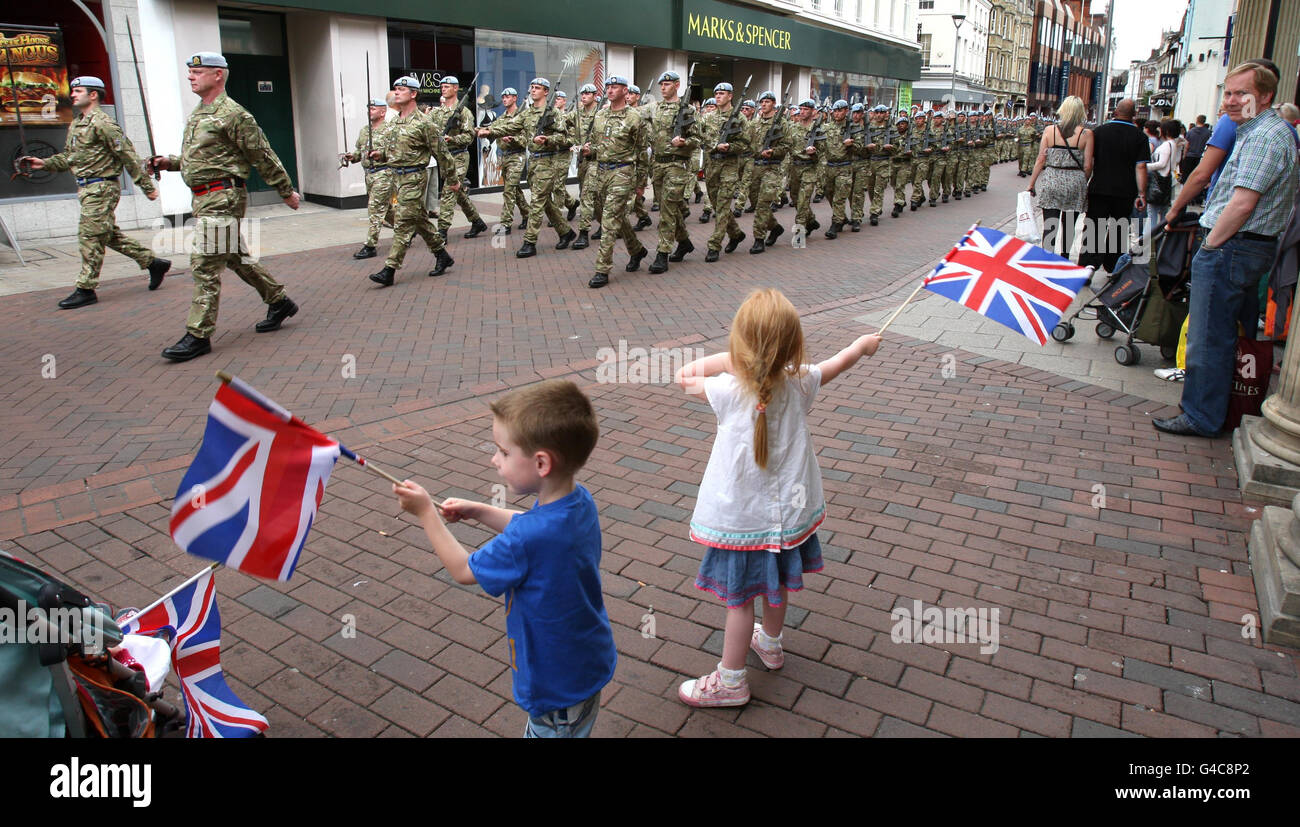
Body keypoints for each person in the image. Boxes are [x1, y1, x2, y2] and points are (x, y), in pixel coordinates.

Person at [673, 288, 882, 707]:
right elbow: (837, 363)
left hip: (742, 519)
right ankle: (770, 643)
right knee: (776, 584)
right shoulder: (801, 382)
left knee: (739, 601)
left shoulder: (727, 390)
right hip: (787, 518)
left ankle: (731, 681)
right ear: (792, 343)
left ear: (741, 343)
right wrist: (861, 346)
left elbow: (684, 375)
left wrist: (733, 359)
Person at [392, 379, 617, 737]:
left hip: (555, 684)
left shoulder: (528, 538)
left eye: (503, 452)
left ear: (541, 462)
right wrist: (480, 511)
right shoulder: (577, 500)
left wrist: (425, 514)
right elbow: (532, 526)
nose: (493, 459)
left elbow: (464, 570)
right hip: (585, 661)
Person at [1153, 63, 1300, 437]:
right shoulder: (1256, 132)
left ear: (1265, 96)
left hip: (1232, 247)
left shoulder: (1266, 137)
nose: (1231, 101)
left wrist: (1212, 244)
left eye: (1241, 93)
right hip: (1240, 247)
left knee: (1208, 335)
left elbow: (1242, 204)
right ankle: (1219, 407)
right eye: (1229, 92)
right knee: (1225, 330)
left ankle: (1201, 415)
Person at [145, 53, 299, 362]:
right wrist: (170, 162)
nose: (190, 77)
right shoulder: (199, 113)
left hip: (223, 197)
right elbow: (201, 159)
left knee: (204, 263)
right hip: (203, 197)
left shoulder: (234, 114)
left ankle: (198, 334)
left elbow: (262, 155)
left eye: (197, 72)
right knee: (235, 257)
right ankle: (279, 300)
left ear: (218, 75)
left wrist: (285, 191)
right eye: (189, 72)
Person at [25, 76, 170, 309]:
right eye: (73, 90)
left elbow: (128, 156)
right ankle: (153, 263)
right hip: (87, 188)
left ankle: (86, 288)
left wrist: (146, 187)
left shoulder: (104, 123)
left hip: (102, 187)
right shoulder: (77, 123)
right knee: (106, 234)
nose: (72, 94)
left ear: (93, 95)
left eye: (78, 91)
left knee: (90, 236)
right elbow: (69, 157)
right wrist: (44, 163)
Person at [361, 75, 456, 288]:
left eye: (402, 89)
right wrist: (381, 154)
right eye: (395, 89)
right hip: (396, 177)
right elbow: (393, 148)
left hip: (414, 177)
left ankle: (390, 269)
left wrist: (453, 180)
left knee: (403, 223)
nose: (397, 92)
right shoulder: (395, 121)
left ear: (413, 94)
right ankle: (442, 255)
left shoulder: (424, 123)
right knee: (420, 220)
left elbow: (442, 154)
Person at [478, 78, 575, 258]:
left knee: (537, 202)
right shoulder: (527, 114)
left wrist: (548, 140)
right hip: (534, 163)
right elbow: (510, 126)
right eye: (532, 87)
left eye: (537, 88)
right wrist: (490, 132)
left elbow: (567, 139)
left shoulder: (554, 113)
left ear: (546, 92)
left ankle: (529, 242)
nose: (533, 90)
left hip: (548, 162)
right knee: (545, 202)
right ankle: (565, 232)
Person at [581, 76, 649, 288]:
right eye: (608, 87)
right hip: (601, 171)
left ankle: (602, 269)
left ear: (625, 91)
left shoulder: (635, 117)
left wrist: (640, 182)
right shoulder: (600, 115)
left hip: (622, 172)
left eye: (615, 87)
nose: (610, 91)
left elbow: (642, 152)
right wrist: (588, 150)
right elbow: (596, 145)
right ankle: (637, 250)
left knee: (610, 221)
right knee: (610, 216)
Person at [1078, 99, 1149, 274]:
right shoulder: (1140, 136)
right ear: (1134, 115)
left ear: (1115, 112)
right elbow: (1140, 166)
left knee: (1095, 224)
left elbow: (1090, 162)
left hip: (1100, 187)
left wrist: (1085, 184)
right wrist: (1142, 193)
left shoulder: (1099, 132)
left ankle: (1089, 264)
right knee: (1119, 226)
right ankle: (1112, 265)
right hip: (1125, 190)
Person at [646, 71, 700, 273]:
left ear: (677, 85)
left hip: (677, 165)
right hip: (658, 165)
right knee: (669, 209)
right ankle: (684, 242)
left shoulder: (687, 111)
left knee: (667, 209)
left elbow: (698, 139)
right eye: (661, 84)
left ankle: (662, 254)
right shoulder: (656, 109)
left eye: (667, 84)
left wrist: (685, 142)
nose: (663, 87)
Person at [1027, 95, 1093, 261]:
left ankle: (1046, 257)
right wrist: (1082, 180)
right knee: (1070, 224)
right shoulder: (1086, 134)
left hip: (1052, 178)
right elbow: (1088, 165)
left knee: (1050, 223)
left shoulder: (1050, 131)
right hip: (1075, 180)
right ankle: (1064, 257)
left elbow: (1041, 159)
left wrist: (1032, 184)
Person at [426, 76, 488, 240]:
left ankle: (442, 231)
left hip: (458, 156)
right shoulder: (436, 113)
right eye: (442, 86)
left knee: (448, 191)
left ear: (455, 88)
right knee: (458, 192)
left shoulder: (464, 112)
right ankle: (477, 221)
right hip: (443, 159)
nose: (443, 89)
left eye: (447, 86)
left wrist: (452, 139)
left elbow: (469, 136)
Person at [341, 98, 394, 260]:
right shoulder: (365, 130)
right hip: (369, 174)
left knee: (375, 208)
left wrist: (381, 155)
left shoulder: (390, 130)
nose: (369, 111)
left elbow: (395, 152)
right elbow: (360, 151)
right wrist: (353, 156)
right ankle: (408, 228)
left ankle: (370, 245)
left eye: (373, 109)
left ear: (382, 111)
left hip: (384, 173)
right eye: (368, 109)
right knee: (386, 211)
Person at [700, 81, 748, 261]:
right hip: (712, 165)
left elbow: (745, 144)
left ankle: (714, 245)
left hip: (729, 165)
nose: (718, 96)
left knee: (722, 206)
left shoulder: (739, 118)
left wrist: (730, 147)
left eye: (722, 93)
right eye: (716, 93)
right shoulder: (707, 117)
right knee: (715, 203)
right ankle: (735, 233)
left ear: (730, 96)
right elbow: (700, 137)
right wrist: (714, 146)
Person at [746, 91, 791, 253]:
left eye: (767, 102)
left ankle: (759, 238)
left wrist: (773, 151)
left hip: (772, 167)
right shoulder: (755, 123)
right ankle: (775, 227)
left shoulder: (781, 124)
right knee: (755, 201)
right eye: (762, 102)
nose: (763, 104)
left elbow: (786, 145)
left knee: (763, 204)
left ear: (773, 104)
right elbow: (748, 143)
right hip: (756, 167)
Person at [492, 87, 529, 234]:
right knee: (513, 188)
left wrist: (514, 139)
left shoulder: (522, 116)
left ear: (515, 98)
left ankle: (505, 223)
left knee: (508, 190)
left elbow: (526, 138)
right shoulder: (501, 119)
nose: (505, 99)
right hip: (505, 156)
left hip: (517, 155)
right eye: (503, 97)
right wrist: (503, 140)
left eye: (508, 97)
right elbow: (497, 138)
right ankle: (527, 214)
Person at [570, 83, 602, 249]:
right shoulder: (577, 114)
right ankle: (607, 225)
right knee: (593, 197)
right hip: (582, 160)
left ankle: (583, 234)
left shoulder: (602, 113)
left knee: (586, 196)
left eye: (588, 93)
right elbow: (568, 130)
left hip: (596, 161)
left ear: (595, 95)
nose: (584, 96)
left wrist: (593, 149)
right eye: (582, 93)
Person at [1145, 120, 1177, 232]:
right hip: (1167, 181)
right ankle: (1157, 240)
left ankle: (1148, 240)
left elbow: (1161, 164)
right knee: (1163, 212)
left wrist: (1145, 166)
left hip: (1158, 181)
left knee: (1152, 213)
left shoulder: (1166, 145)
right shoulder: (1174, 144)